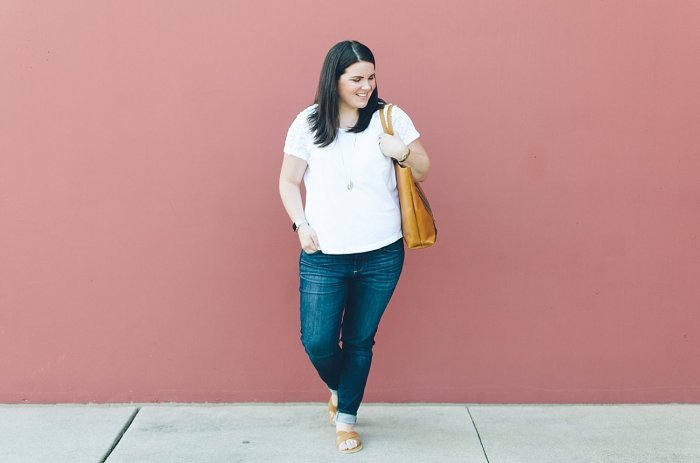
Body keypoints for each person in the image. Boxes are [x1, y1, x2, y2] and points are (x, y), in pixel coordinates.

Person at [278, 40, 430, 454]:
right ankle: (339, 388)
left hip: (382, 252)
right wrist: (301, 224)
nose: (367, 86)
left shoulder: (390, 117)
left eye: (372, 77)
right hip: (323, 255)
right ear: (335, 79)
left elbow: (424, 167)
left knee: (360, 340)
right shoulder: (307, 123)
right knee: (318, 342)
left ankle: (346, 419)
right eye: (356, 79)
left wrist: (401, 152)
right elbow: (288, 181)